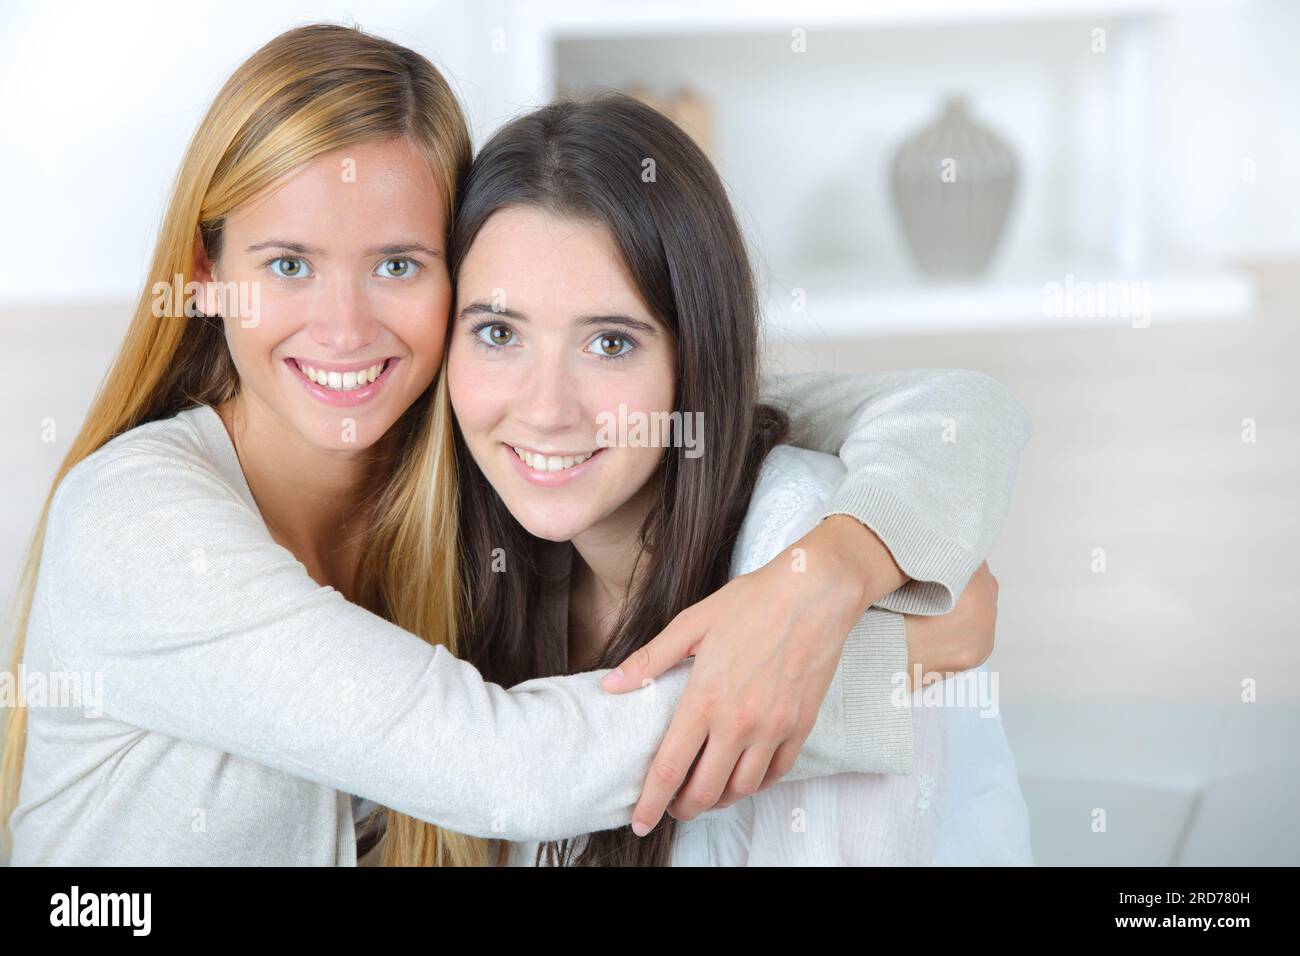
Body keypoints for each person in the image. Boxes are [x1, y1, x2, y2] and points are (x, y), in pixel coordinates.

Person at [1, 25, 1030, 866]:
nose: (347, 327)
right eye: (287, 264)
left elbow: (946, 408)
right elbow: (508, 770)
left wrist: (838, 562)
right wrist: (882, 660)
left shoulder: (467, 436)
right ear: (206, 271)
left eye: (399, 265)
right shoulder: (136, 521)